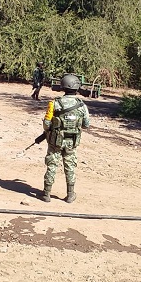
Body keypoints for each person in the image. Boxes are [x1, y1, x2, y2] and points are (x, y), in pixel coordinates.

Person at [40, 73, 91, 203]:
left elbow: (46, 124)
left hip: (55, 141)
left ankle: (46, 194)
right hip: (72, 142)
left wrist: (49, 132)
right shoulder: (82, 106)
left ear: (62, 87)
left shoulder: (54, 103)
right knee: (70, 167)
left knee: (51, 166)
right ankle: (70, 195)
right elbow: (86, 125)